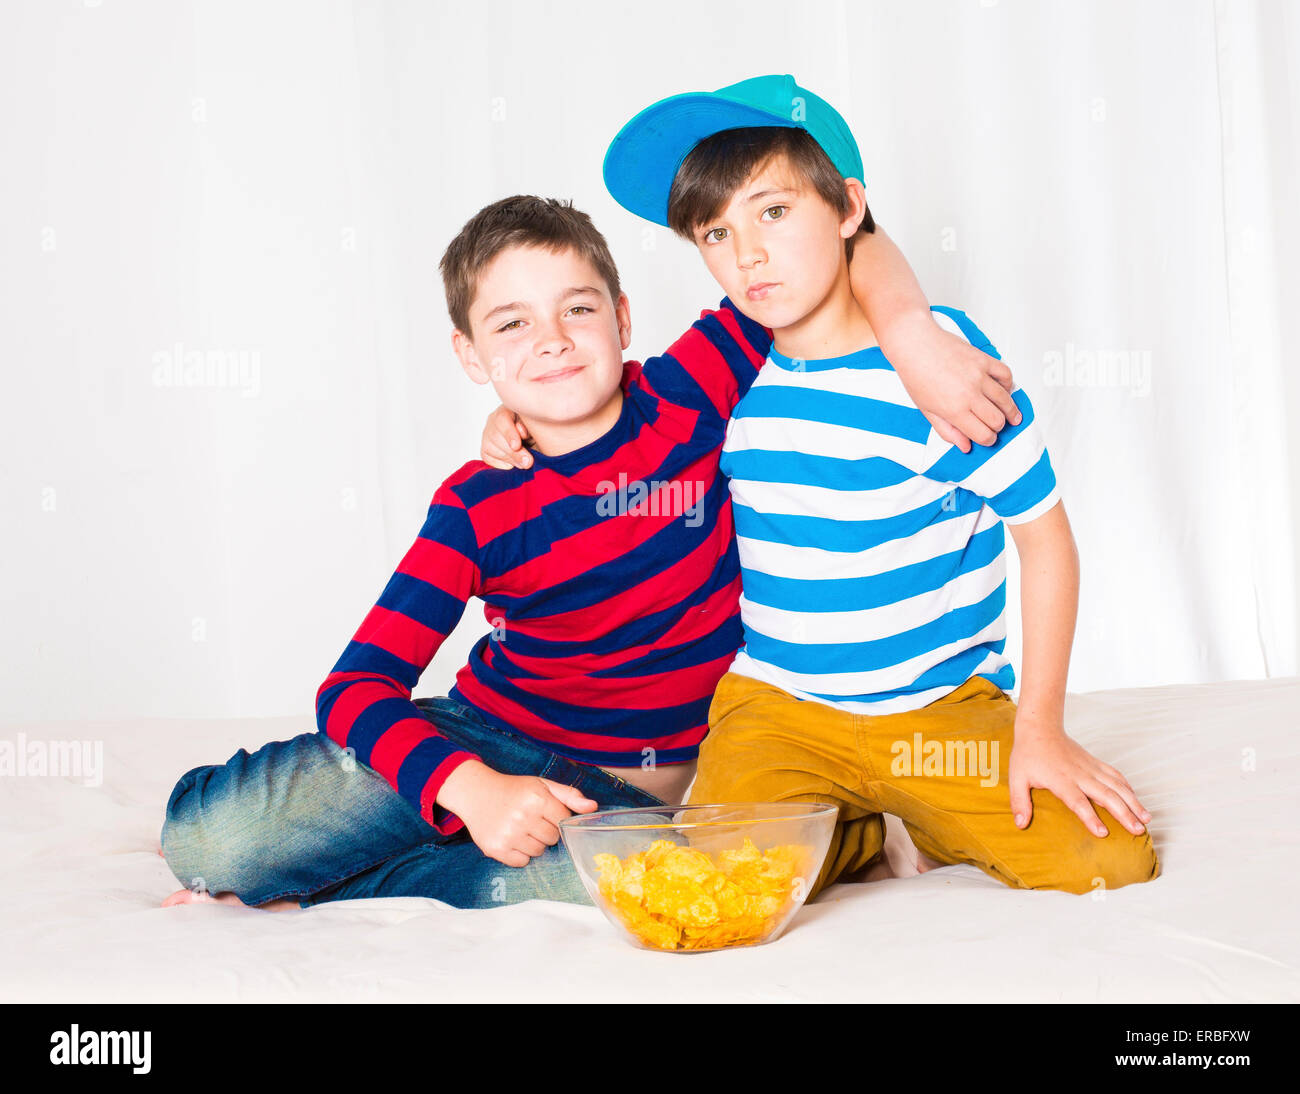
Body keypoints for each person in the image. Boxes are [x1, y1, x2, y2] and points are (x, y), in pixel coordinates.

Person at [160, 186, 1018, 912]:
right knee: (215, 842)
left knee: (655, 887)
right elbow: (354, 686)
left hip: (623, 804)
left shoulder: (689, 390)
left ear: (621, 317)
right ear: (470, 356)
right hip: (483, 738)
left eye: (577, 309)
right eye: (511, 325)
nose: (552, 339)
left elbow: (839, 245)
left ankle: (338, 884)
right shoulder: (476, 502)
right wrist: (469, 787)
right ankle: (345, 845)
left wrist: (910, 331)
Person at [587, 73, 1161, 899]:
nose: (745, 254)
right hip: (781, 710)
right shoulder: (731, 364)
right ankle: (849, 826)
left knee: (1107, 864)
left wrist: (1039, 730)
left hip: (939, 711)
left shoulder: (941, 366)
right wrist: (518, 427)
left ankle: (915, 812)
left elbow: (1046, 539)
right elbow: (609, 414)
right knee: (709, 893)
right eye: (715, 233)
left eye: (773, 212)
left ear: (847, 208)